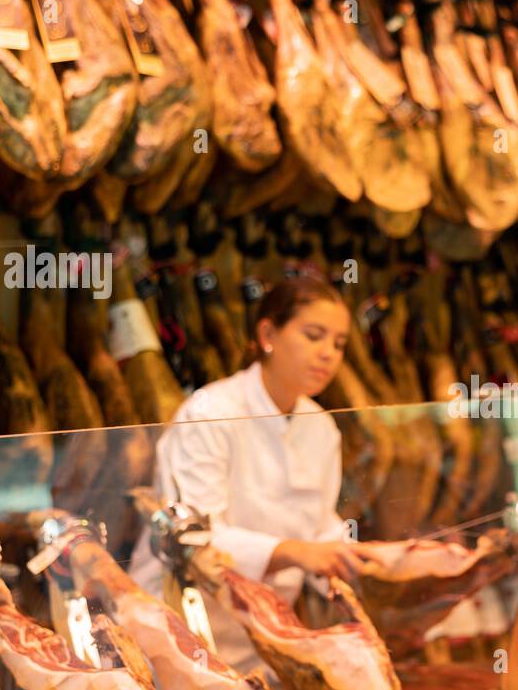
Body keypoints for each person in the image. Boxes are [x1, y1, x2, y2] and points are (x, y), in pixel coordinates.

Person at [129, 271, 377, 669]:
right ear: (268, 335)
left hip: (264, 638)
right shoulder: (209, 413)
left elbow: (318, 526)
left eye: (339, 343)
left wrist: (360, 559)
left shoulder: (320, 426)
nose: (329, 353)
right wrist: (297, 553)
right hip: (182, 629)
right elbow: (193, 537)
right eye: (314, 336)